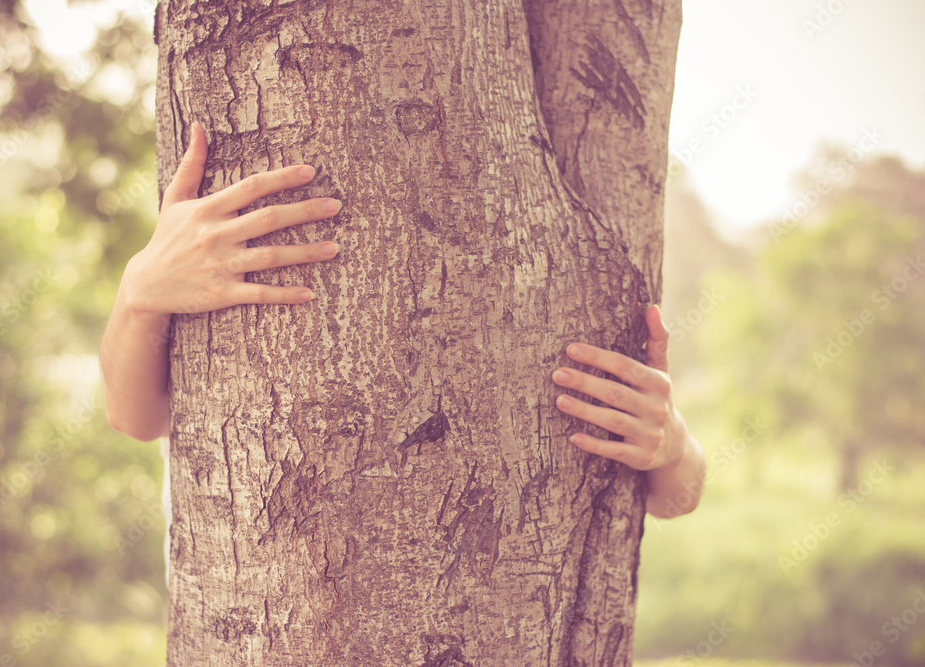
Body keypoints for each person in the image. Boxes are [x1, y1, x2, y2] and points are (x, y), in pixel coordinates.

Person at [100, 122, 705, 521]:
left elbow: (675, 501)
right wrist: (137, 296)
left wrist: (674, 444)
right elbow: (137, 417)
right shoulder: (196, 265)